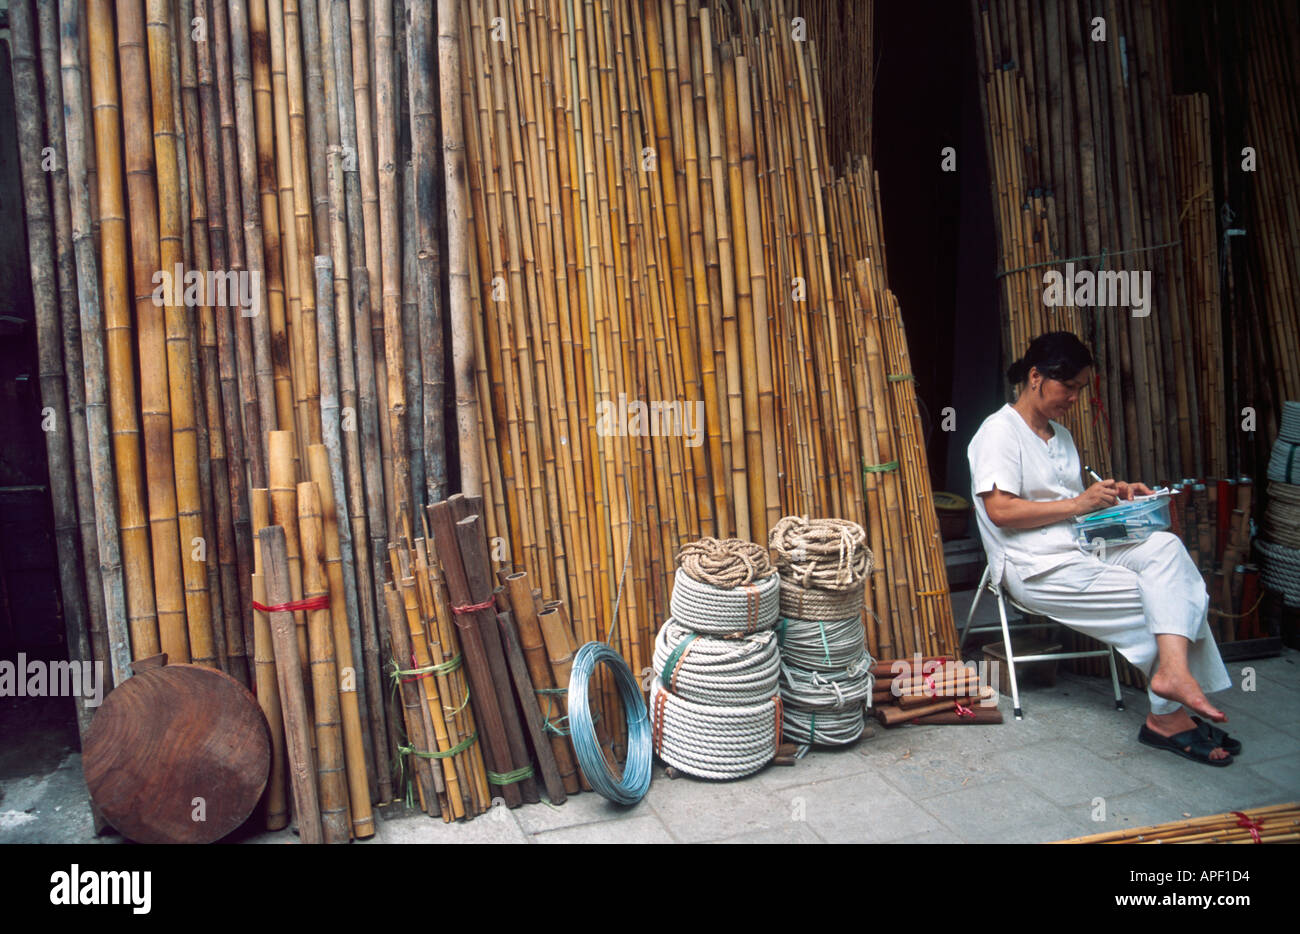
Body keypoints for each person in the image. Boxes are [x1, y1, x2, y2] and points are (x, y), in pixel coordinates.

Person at [966, 331, 1236, 765]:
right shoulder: (998, 432)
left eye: (1079, 389)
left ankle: (1172, 677)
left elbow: (1075, 513)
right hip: (1034, 568)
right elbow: (999, 510)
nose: (1074, 397)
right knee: (1160, 598)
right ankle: (1167, 717)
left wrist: (1117, 498)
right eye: (1067, 386)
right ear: (1036, 377)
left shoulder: (1062, 437)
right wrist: (1079, 502)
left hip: (1081, 548)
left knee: (1166, 550)